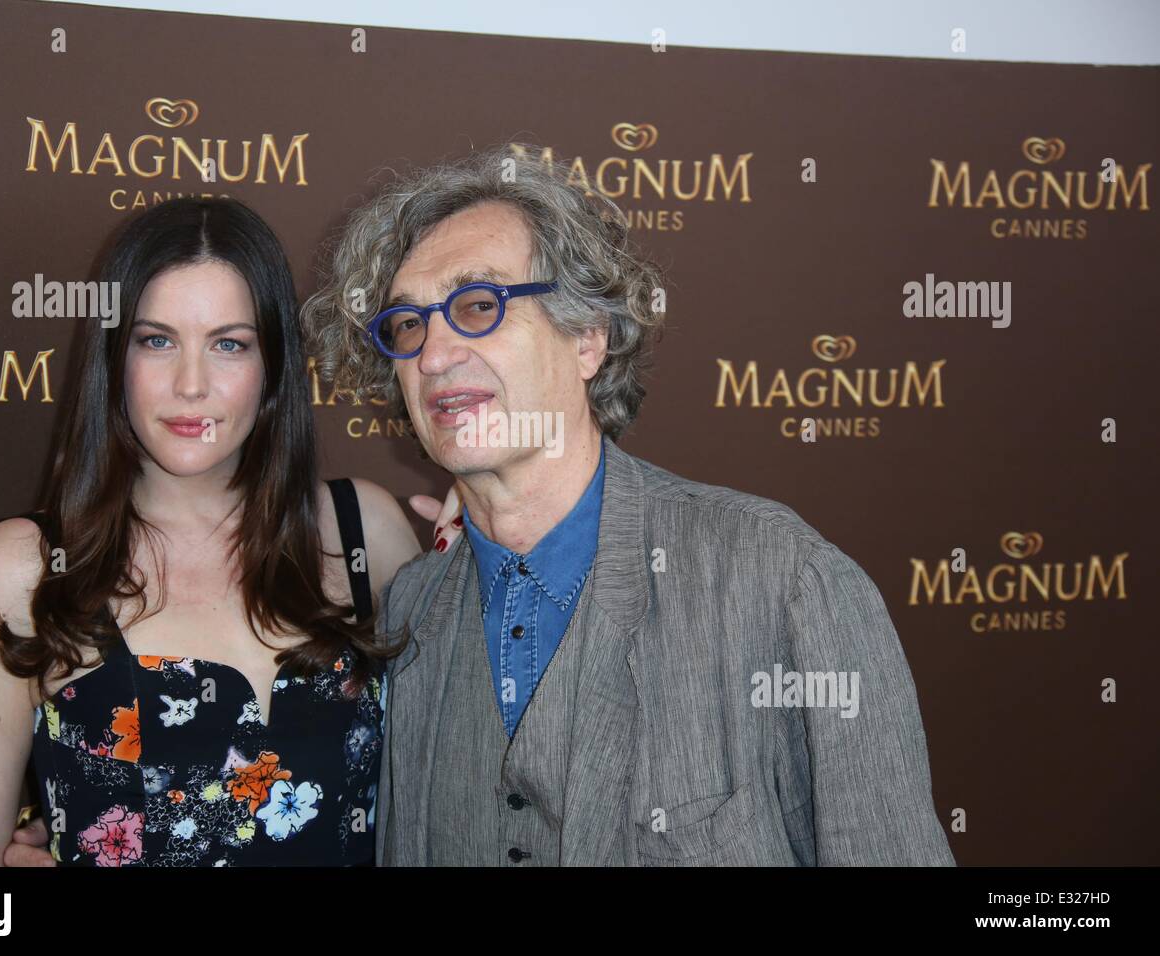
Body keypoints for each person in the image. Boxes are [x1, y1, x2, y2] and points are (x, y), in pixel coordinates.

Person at [298, 144, 958, 866]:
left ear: (587, 336)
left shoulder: (780, 579)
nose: (432, 355)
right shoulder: (413, 614)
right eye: (408, 325)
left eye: (479, 305)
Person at [0, 197, 459, 867]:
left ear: (272, 369)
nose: (191, 385)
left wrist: (483, 560)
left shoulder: (366, 532)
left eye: (229, 345)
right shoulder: (26, 570)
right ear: (114, 356)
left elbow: (450, 791)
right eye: (157, 341)